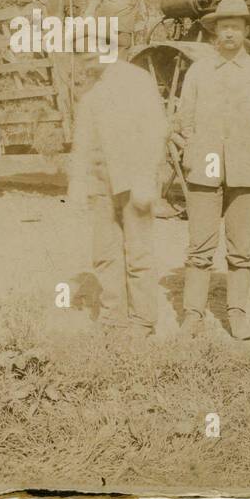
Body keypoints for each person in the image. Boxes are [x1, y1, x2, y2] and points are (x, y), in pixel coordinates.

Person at [171, 0, 250, 340]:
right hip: (205, 167)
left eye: (236, 26)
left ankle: (237, 313)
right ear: (215, 31)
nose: (230, 32)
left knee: (241, 247)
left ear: (247, 30)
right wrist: (196, 147)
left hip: (245, 171)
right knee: (200, 246)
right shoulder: (200, 70)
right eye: (224, 26)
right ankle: (193, 314)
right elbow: (184, 118)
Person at [67, 53, 167, 334]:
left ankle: (143, 320)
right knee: (105, 252)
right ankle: (113, 316)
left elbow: (157, 129)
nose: (87, 56)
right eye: (80, 51)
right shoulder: (88, 87)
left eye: (94, 46)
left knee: (138, 252)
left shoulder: (136, 80)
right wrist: (77, 183)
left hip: (134, 180)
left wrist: (146, 178)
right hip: (101, 183)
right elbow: (82, 139)